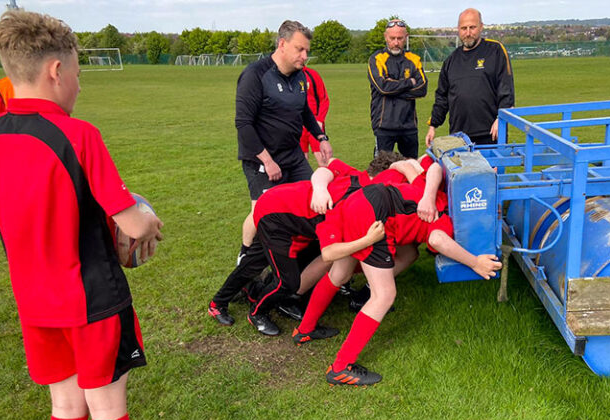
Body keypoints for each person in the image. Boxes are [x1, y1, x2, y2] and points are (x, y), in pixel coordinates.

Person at [0, 10, 170, 420]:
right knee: (106, 399)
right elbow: (130, 221)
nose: (77, 85)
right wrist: (149, 222)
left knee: (65, 402)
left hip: (33, 300)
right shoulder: (77, 135)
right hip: (90, 295)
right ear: (54, 71)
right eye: (76, 73)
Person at [295, 161, 502, 386]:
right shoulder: (445, 219)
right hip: (376, 216)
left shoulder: (438, 189)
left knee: (344, 271)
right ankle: (341, 368)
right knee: (383, 295)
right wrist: (475, 263)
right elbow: (437, 240)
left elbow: (433, 168)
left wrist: (428, 195)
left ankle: (305, 329)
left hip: (362, 199)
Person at [207, 152, 410, 335]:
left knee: (254, 263)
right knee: (287, 281)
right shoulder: (359, 197)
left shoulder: (364, 183)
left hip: (282, 211)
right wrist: (366, 240)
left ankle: (219, 301)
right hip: (277, 217)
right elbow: (329, 252)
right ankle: (258, 313)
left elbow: (331, 164)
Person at [236, 20, 333, 263]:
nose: (305, 56)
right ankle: (245, 256)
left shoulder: (300, 77)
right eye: (300, 49)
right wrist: (268, 161)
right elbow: (243, 124)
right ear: (282, 44)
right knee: (262, 213)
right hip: (262, 159)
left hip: (293, 157)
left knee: (313, 201)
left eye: (307, 51)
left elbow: (304, 112)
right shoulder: (255, 75)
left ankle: (305, 257)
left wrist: (321, 137)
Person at [425, 8, 514, 148]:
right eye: (464, 28)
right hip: (459, 136)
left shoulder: (495, 50)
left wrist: (501, 119)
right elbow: (442, 97)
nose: (468, 33)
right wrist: (433, 125)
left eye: (472, 27)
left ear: (481, 27)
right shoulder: (451, 60)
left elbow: (506, 88)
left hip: (490, 133)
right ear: (458, 29)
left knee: (491, 170)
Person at [368, 19, 427, 159]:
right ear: (385, 37)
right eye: (392, 38)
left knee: (411, 167)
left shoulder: (414, 59)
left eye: (399, 38)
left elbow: (422, 88)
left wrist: (393, 89)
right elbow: (383, 87)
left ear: (406, 37)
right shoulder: (376, 59)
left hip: (408, 126)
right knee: (381, 170)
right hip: (383, 124)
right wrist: (409, 82)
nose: (396, 42)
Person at [299, 66, 330, 167]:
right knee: (300, 163)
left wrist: (320, 120)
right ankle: (304, 182)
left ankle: (326, 181)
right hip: (297, 125)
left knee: (323, 161)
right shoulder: (287, 76)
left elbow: (324, 99)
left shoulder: (312, 74)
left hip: (314, 124)